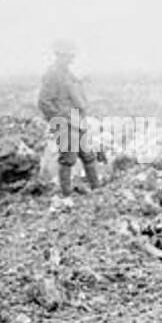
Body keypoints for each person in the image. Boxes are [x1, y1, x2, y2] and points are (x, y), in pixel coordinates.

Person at [38, 38, 101, 206]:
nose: (71, 59)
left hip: (76, 120)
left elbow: (74, 94)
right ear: (59, 55)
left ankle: (98, 190)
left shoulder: (67, 73)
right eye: (68, 56)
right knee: (68, 158)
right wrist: (60, 120)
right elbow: (44, 102)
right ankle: (66, 195)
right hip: (64, 122)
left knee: (88, 155)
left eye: (72, 56)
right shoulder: (52, 74)